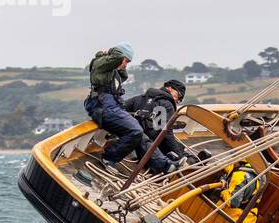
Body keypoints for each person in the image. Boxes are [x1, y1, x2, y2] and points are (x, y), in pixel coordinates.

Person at [83, 42, 172, 175]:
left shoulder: (114, 72)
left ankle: (162, 164)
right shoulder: (100, 64)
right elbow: (118, 57)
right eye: (126, 61)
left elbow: (123, 75)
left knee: (140, 133)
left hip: (113, 106)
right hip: (102, 107)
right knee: (135, 130)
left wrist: (120, 62)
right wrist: (113, 51)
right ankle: (109, 157)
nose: (126, 64)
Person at [124, 78, 205, 166]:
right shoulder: (167, 104)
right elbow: (165, 133)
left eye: (181, 100)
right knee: (176, 148)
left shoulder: (139, 98)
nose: (178, 101)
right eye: (179, 96)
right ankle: (190, 162)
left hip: (136, 140)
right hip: (153, 144)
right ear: (169, 88)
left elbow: (120, 109)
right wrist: (181, 155)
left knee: (176, 145)